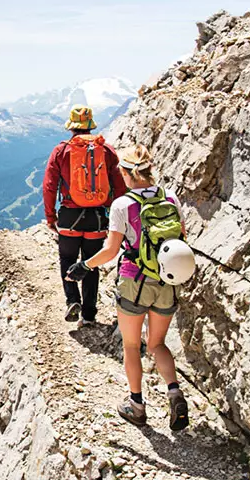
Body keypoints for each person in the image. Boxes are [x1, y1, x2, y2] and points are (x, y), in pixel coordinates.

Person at [64, 144, 191, 431]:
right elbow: (181, 237)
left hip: (134, 281)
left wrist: (85, 265)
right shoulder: (170, 197)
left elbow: (110, 250)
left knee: (132, 345)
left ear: (125, 173)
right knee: (158, 344)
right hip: (167, 281)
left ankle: (136, 406)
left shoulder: (122, 205)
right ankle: (174, 392)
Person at [42, 105, 127, 327]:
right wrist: (115, 216)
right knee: (90, 264)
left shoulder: (61, 151)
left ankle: (72, 300)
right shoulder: (106, 151)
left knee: (67, 259)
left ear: (71, 128)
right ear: (91, 125)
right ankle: (89, 315)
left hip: (70, 216)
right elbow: (120, 187)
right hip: (97, 218)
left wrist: (51, 217)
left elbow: (50, 186)